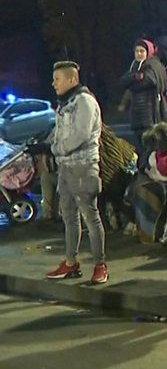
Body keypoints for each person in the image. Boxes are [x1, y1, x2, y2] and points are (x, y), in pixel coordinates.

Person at [44, 61, 108, 285]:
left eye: (57, 79)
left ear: (72, 79)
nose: (53, 84)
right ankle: (70, 263)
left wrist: (56, 149)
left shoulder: (84, 101)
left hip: (83, 167)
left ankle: (100, 265)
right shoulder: (65, 103)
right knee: (69, 217)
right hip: (66, 167)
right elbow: (59, 133)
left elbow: (80, 134)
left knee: (91, 216)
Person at [119, 39, 167, 150]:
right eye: (137, 51)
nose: (139, 54)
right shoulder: (135, 67)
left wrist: (131, 85)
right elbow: (122, 81)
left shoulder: (153, 65)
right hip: (138, 114)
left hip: (150, 113)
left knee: (150, 145)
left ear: (148, 52)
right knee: (140, 145)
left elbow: (149, 81)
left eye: (142, 51)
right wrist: (135, 78)